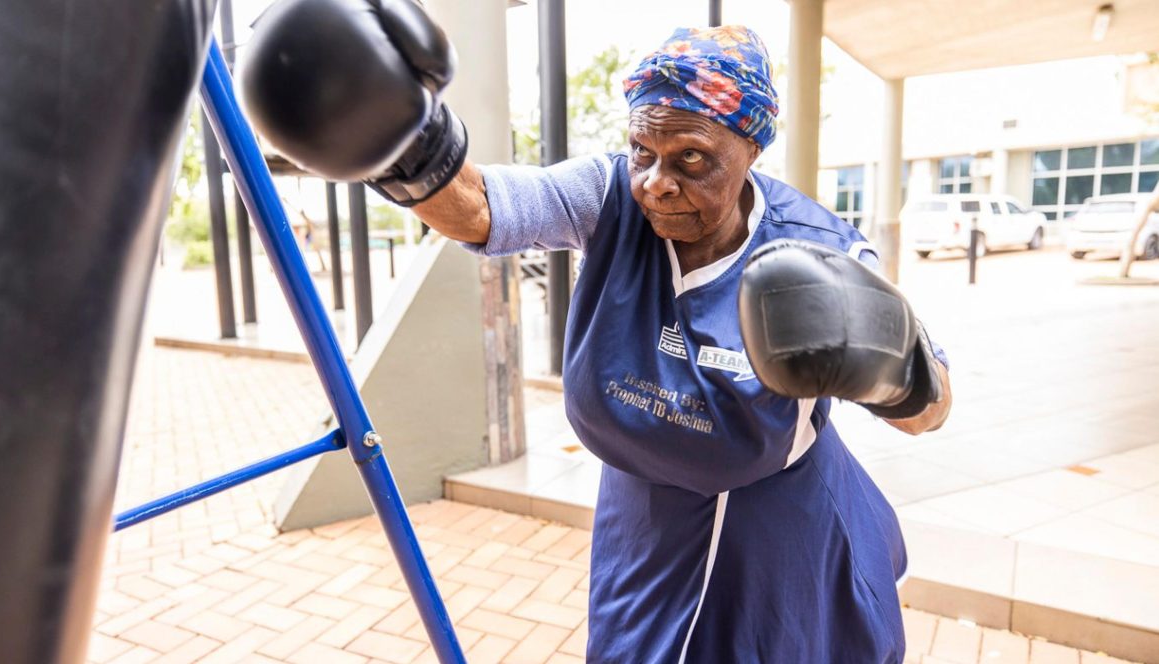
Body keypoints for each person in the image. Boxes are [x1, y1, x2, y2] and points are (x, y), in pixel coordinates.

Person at [240, 2, 953, 661]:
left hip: (780, 533)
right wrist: (407, 147)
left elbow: (933, 410)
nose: (657, 183)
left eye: (693, 161)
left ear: (750, 151)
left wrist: (888, 367)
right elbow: (485, 208)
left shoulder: (814, 248)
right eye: (645, 152)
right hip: (643, 519)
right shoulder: (611, 195)